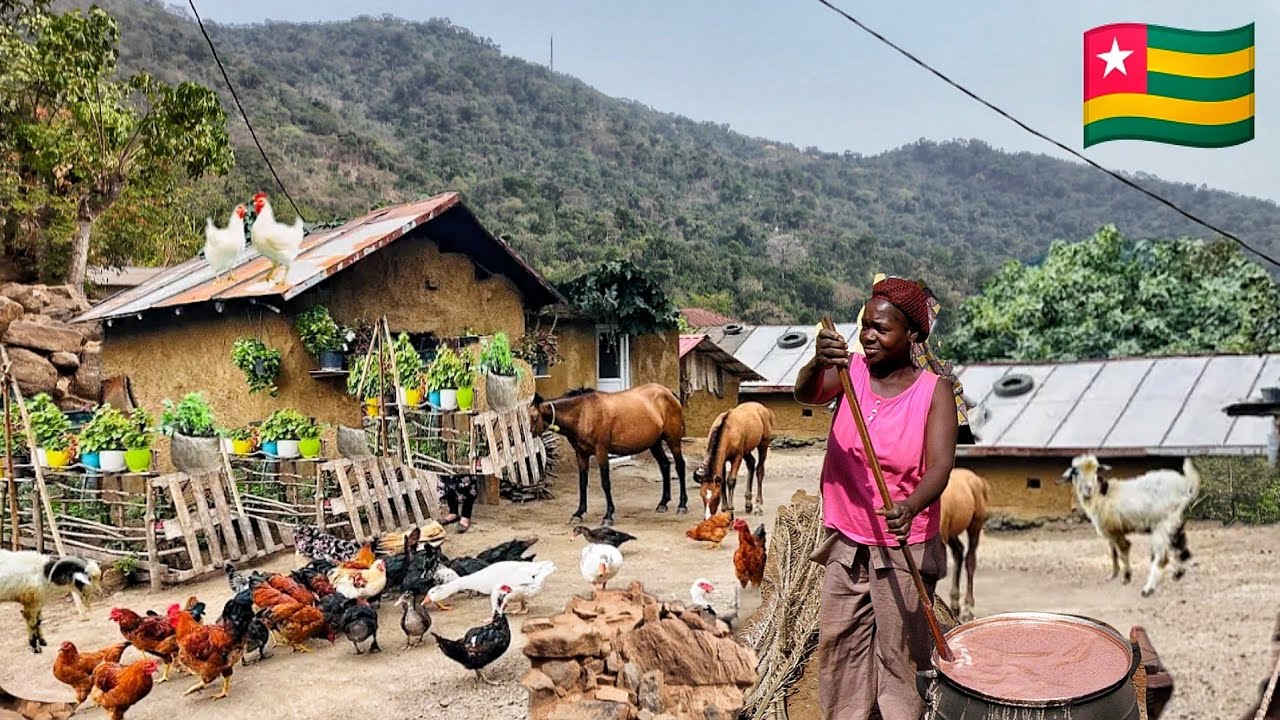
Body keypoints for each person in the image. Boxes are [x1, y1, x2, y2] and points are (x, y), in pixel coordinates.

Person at [793, 276, 957, 720]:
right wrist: (815, 362)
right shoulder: (850, 372)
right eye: (865, 324)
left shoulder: (933, 391)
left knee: (901, 659)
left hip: (904, 546)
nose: (868, 335)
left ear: (913, 335)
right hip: (847, 541)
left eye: (881, 328)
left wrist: (910, 505)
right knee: (840, 650)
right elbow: (806, 392)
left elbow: (940, 467)